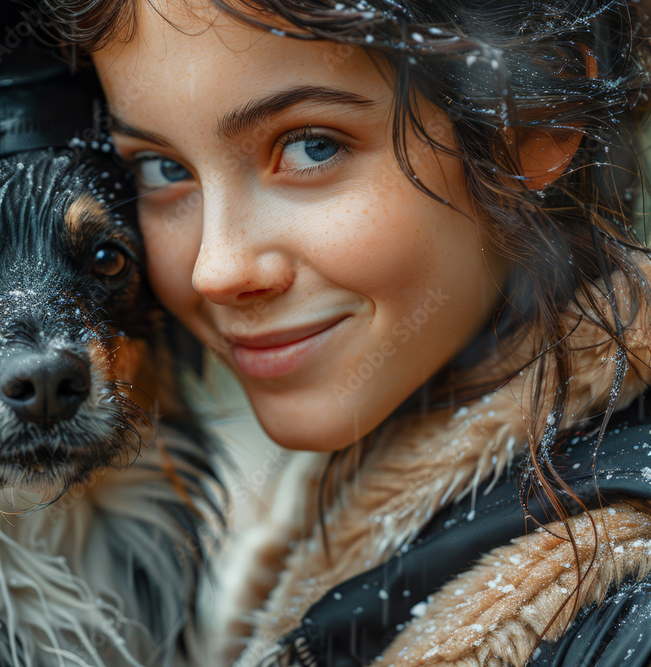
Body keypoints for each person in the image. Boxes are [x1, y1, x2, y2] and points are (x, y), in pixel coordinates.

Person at [38, 0, 651, 664]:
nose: (217, 268)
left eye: (311, 146)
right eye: (162, 168)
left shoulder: (619, 617)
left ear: (531, 117)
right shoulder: (300, 526)